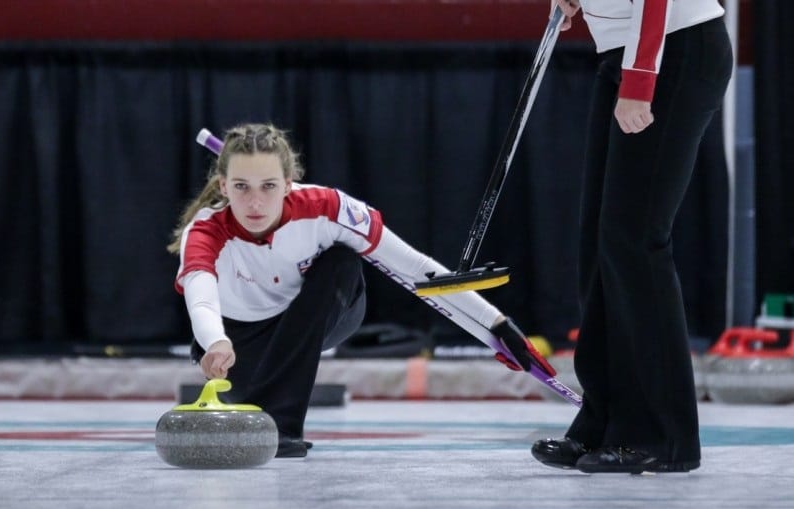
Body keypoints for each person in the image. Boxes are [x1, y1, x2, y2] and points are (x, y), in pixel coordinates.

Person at [168, 123, 548, 458]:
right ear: (223, 186)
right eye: (241, 187)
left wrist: (496, 324)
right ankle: (261, 398)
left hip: (317, 321)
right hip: (237, 344)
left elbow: (415, 268)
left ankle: (281, 429)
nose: (254, 202)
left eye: (268, 186)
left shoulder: (328, 208)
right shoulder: (204, 231)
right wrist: (215, 341)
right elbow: (201, 298)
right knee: (236, 365)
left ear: (288, 183)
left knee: (342, 261)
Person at [532, 0, 733, 473]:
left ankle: (662, 435)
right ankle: (604, 421)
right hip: (625, 52)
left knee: (636, 241)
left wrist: (641, 80)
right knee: (602, 246)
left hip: (671, 51)